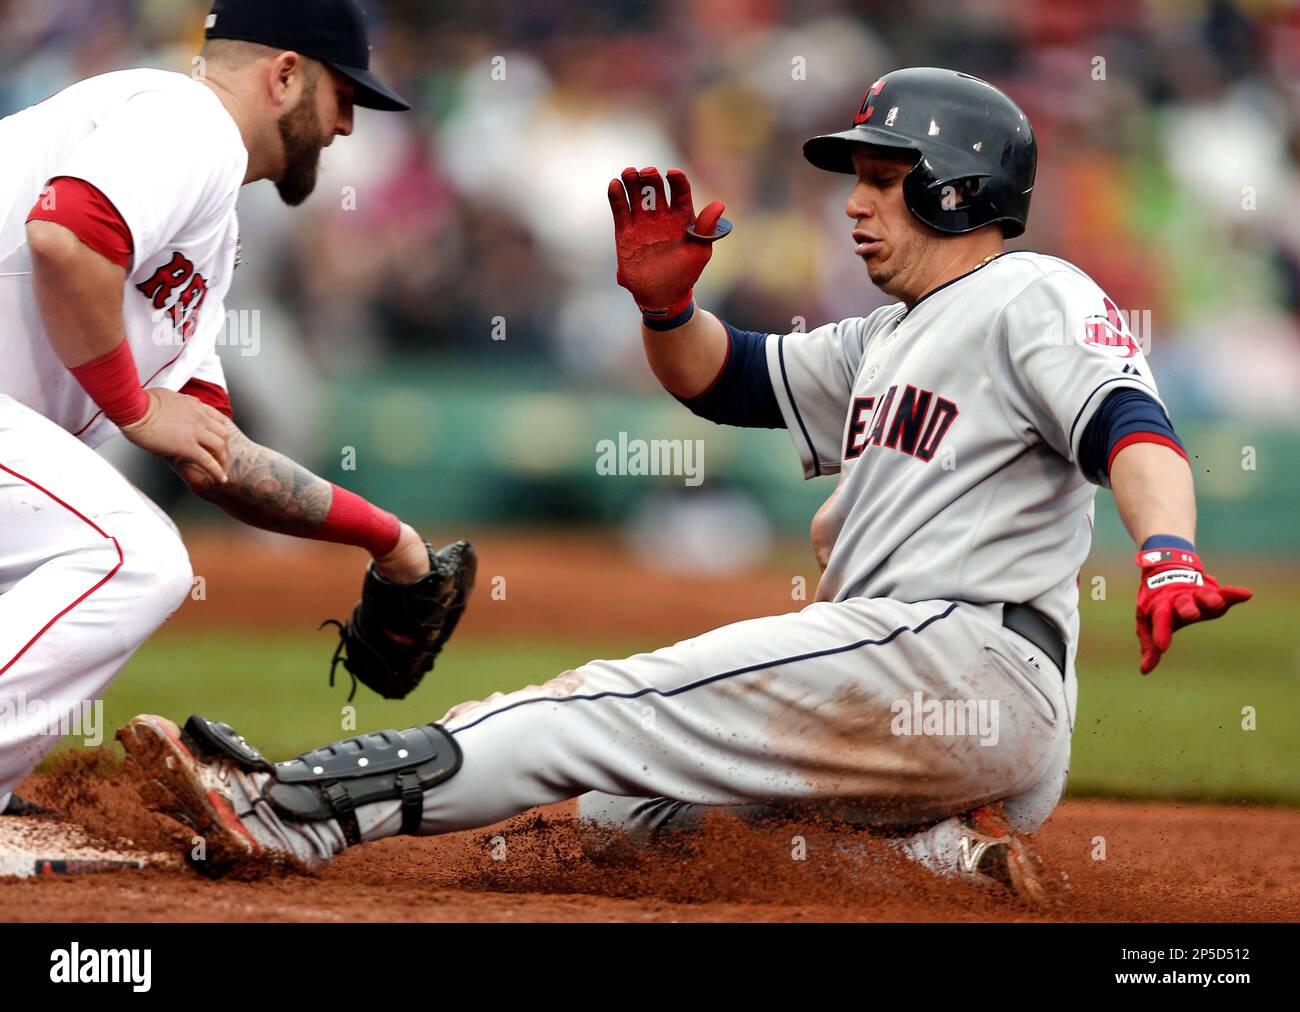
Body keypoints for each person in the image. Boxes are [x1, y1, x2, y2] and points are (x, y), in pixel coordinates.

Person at [118, 68, 1250, 904]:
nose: (854, 203)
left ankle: (291, 811)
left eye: (882, 179)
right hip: (946, 708)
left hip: (952, 653)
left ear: (958, 190)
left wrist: (1166, 549)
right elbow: (727, 381)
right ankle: (938, 860)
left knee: (597, 711)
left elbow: (1129, 424)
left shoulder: (1030, 294)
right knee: (625, 812)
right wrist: (667, 312)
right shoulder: (890, 336)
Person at [0, 0, 471, 818]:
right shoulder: (192, 121)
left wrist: (389, 540)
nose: (349, 125)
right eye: (344, 94)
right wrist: (134, 405)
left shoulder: (209, 237)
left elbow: (217, 458)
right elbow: (65, 236)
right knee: (133, 555)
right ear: (286, 76)